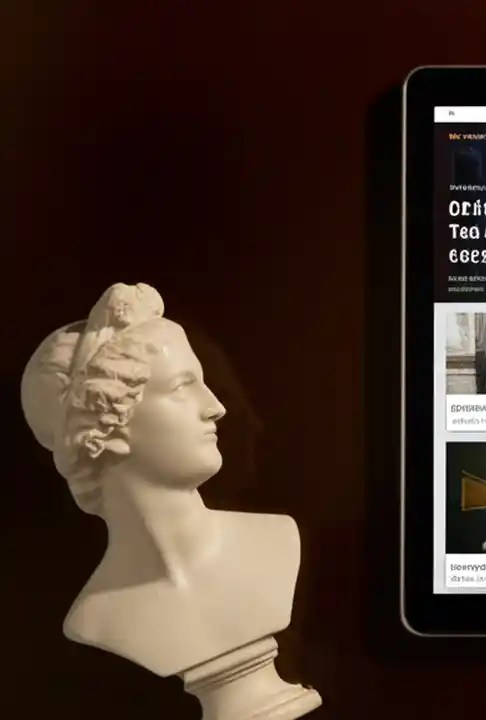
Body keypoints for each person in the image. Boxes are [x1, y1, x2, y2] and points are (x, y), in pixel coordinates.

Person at [20, 282, 320, 715]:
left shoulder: (275, 543)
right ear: (108, 425)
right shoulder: (99, 618)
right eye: (183, 387)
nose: (215, 406)